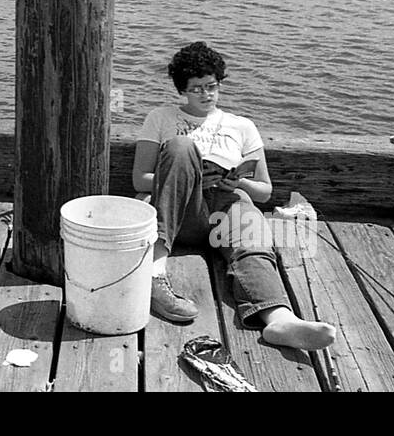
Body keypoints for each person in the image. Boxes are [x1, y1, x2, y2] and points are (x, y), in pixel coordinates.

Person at [134, 41, 336, 351]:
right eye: (197, 88)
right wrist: (190, 177)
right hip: (179, 210)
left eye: (212, 86)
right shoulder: (160, 117)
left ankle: (279, 320)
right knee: (181, 147)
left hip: (225, 208)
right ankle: (154, 272)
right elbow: (140, 179)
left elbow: (265, 190)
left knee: (252, 236)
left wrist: (237, 184)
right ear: (182, 90)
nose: (206, 94)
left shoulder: (242, 126)